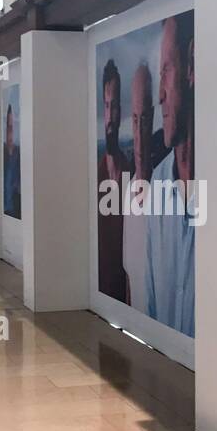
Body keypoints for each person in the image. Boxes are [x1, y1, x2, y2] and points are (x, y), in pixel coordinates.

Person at [146, 12, 196, 337]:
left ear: (192, 67)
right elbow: (152, 304)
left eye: (166, 71)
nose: (160, 95)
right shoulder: (158, 181)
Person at [97, 60, 132, 302]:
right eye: (107, 106)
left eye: (116, 106)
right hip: (101, 291)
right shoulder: (93, 176)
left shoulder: (134, 172)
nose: (111, 116)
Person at [123, 62, 154, 314]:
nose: (140, 129)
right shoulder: (129, 189)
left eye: (145, 118)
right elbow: (129, 274)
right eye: (134, 119)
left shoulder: (168, 190)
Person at [2, 104, 21, 219]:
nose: (11, 133)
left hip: (16, 210)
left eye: (14, 128)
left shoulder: (20, 154)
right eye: (9, 128)